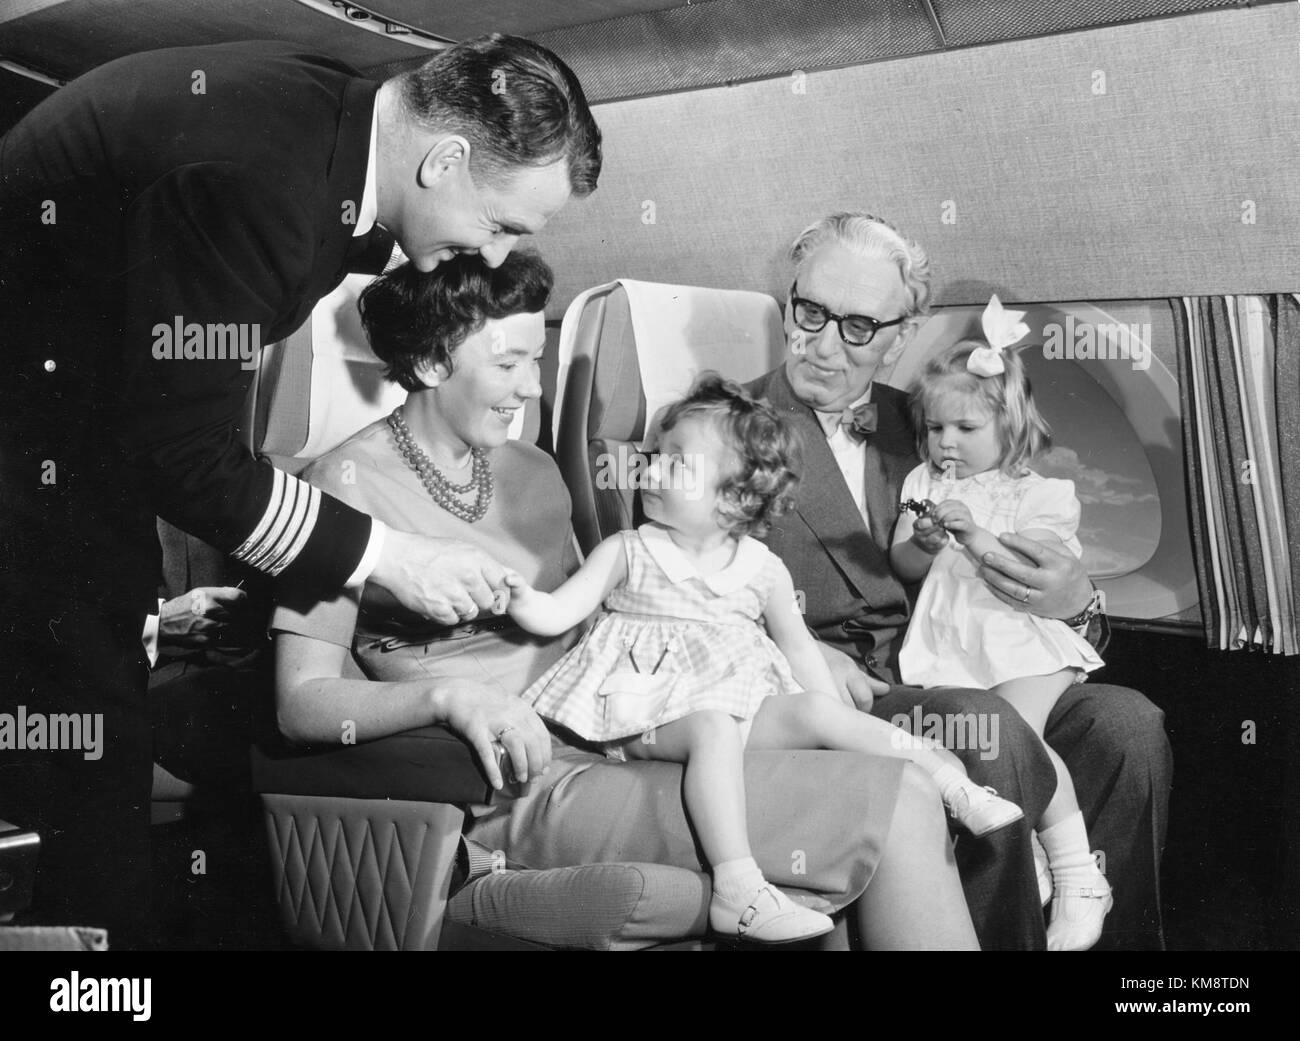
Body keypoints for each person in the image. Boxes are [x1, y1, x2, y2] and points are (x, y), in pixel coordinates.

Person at [0, 34, 600, 944]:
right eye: (505, 222)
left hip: (73, 444)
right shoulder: (263, 187)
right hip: (32, 452)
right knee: (92, 766)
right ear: (444, 160)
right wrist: (390, 555)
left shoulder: (342, 135)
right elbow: (179, 448)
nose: (494, 249)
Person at [274, 252, 978, 950]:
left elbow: (610, 614)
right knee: (903, 799)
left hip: (627, 732)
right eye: (508, 363)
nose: (530, 386)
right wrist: (449, 699)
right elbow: (302, 699)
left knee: (891, 774)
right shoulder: (339, 488)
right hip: (515, 778)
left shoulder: (533, 470)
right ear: (430, 364)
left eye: (537, 359)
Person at [745, 211, 1173, 950]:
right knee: (990, 728)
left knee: (1129, 725)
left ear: (901, 334)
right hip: (829, 698)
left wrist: (1080, 605)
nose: (820, 342)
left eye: (856, 325)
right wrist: (802, 658)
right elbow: (682, 598)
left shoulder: (934, 424)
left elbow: (1018, 573)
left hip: (955, 665)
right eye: (809, 311)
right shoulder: (721, 428)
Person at [504, 374, 1019, 942]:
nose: (647, 471)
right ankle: (737, 886)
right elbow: (558, 612)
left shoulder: (762, 567)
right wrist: (520, 598)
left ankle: (949, 780)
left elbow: (799, 647)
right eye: (653, 457)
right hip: (639, 716)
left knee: (820, 714)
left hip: (735, 702)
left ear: (735, 495)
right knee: (714, 731)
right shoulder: (631, 549)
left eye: (674, 463)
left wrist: (829, 722)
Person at [891, 305, 1112, 950]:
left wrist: (970, 531)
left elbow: (1023, 569)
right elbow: (901, 561)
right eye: (934, 427)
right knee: (988, 739)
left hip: (1019, 637)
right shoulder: (921, 480)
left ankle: (1077, 871)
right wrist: (927, 541)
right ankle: (1042, 857)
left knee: (1017, 735)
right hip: (953, 644)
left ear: (1009, 424)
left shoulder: (1042, 494)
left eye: (965, 426)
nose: (945, 443)